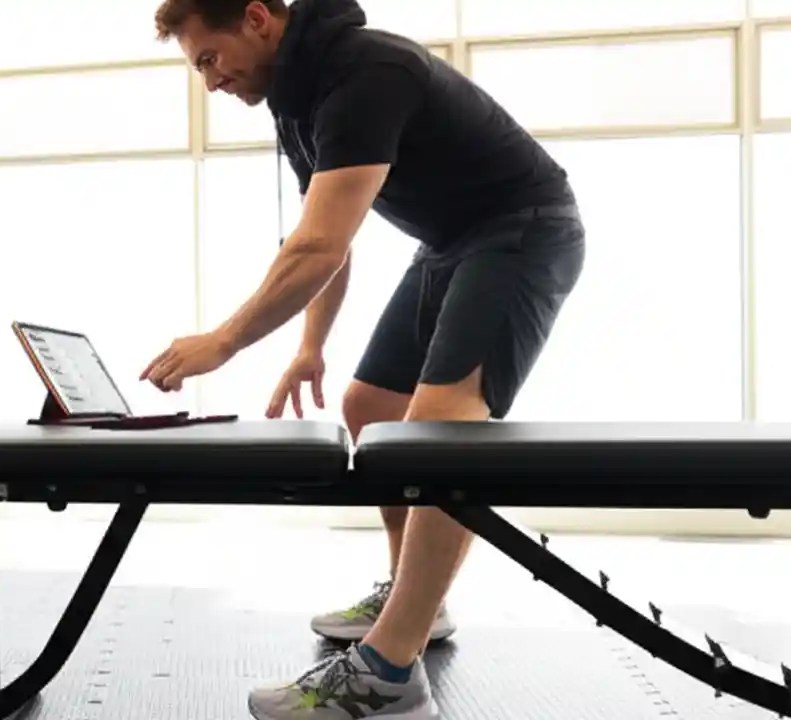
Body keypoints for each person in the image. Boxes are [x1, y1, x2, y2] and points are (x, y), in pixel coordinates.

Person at [142, 0, 586, 717]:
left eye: (209, 59)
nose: (212, 82)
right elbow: (328, 237)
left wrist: (222, 341)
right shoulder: (295, 100)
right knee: (371, 408)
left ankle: (388, 670)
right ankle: (413, 597)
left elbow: (315, 248)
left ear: (257, 18)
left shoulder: (364, 72)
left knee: (440, 427)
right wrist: (310, 348)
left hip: (524, 230)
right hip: (451, 243)